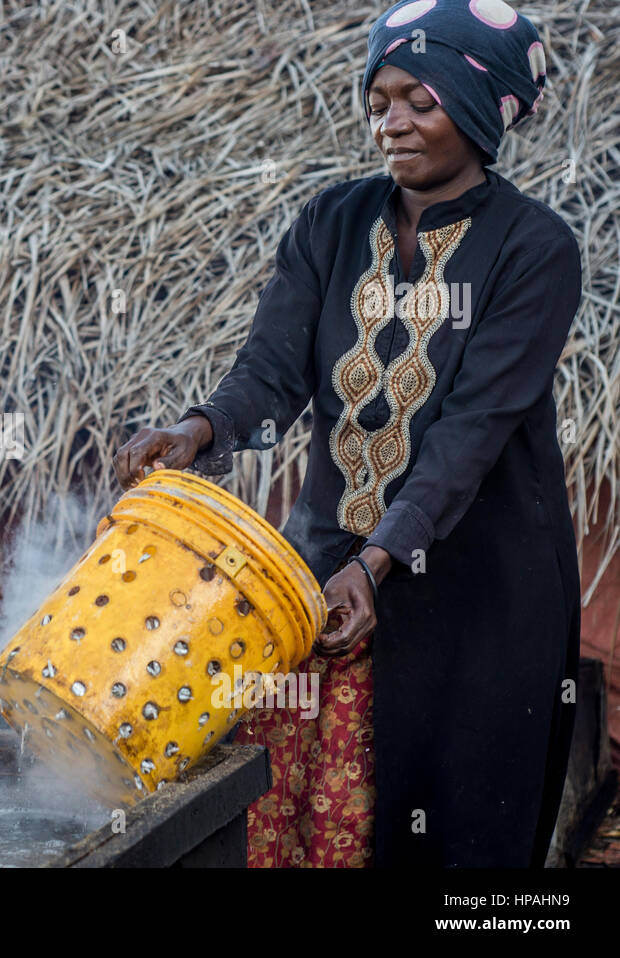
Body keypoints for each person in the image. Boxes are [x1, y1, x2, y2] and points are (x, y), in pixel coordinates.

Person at [114, 0, 579, 867]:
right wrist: (199, 429)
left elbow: (470, 434)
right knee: (292, 815)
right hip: (318, 576)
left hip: (477, 595)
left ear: (480, 111)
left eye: (420, 101)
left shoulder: (534, 250)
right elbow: (271, 373)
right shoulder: (332, 222)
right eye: (379, 100)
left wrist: (378, 560)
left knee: (454, 826)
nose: (390, 123)